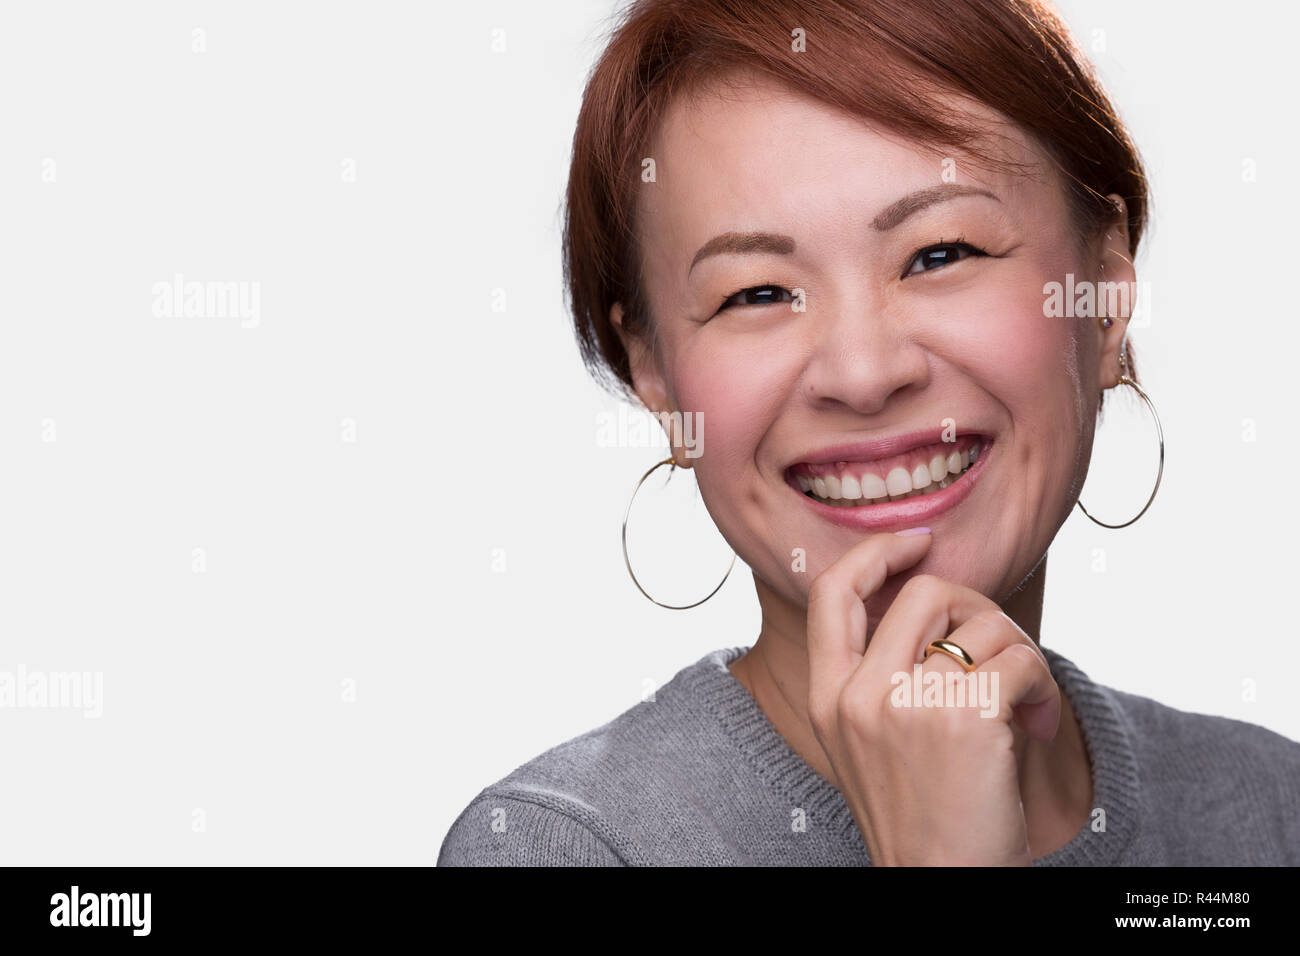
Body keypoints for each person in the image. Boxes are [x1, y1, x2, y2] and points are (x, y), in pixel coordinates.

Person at [438, 0, 1300, 865]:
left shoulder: (1271, 811)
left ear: (1105, 297)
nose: (862, 373)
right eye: (757, 293)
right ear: (654, 372)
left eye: (940, 253)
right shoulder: (563, 846)